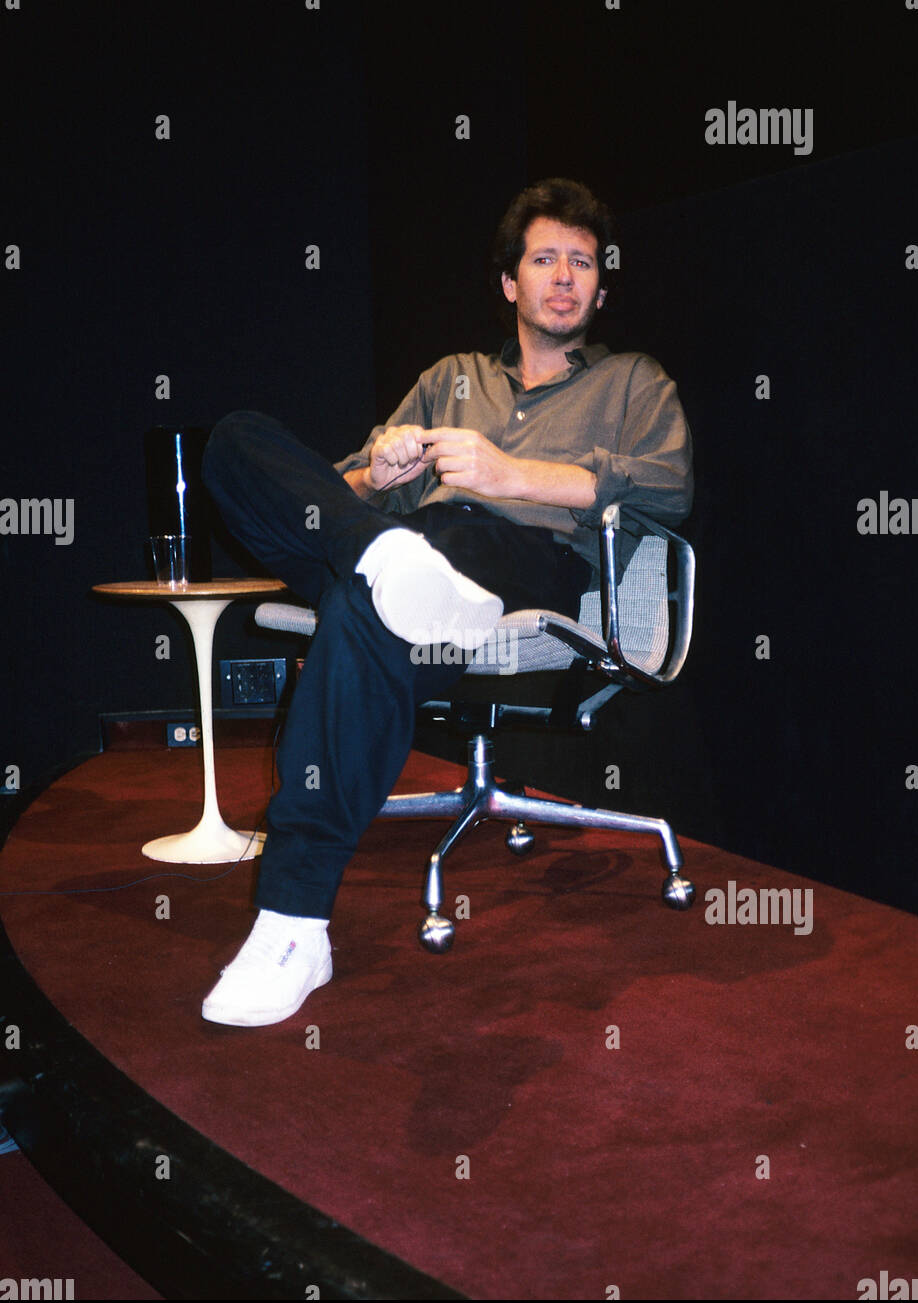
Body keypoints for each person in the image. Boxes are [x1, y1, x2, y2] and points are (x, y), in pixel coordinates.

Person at [200, 177, 693, 1027]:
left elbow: (668, 488)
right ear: (511, 283)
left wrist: (508, 476)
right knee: (235, 442)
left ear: (601, 291)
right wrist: (375, 474)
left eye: (583, 263)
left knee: (381, 596)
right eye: (546, 259)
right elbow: (341, 483)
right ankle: (383, 557)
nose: (566, 276)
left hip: (518, 561)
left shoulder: (633, 384)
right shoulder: (450, 378)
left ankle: (293, 920)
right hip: (404, 546)